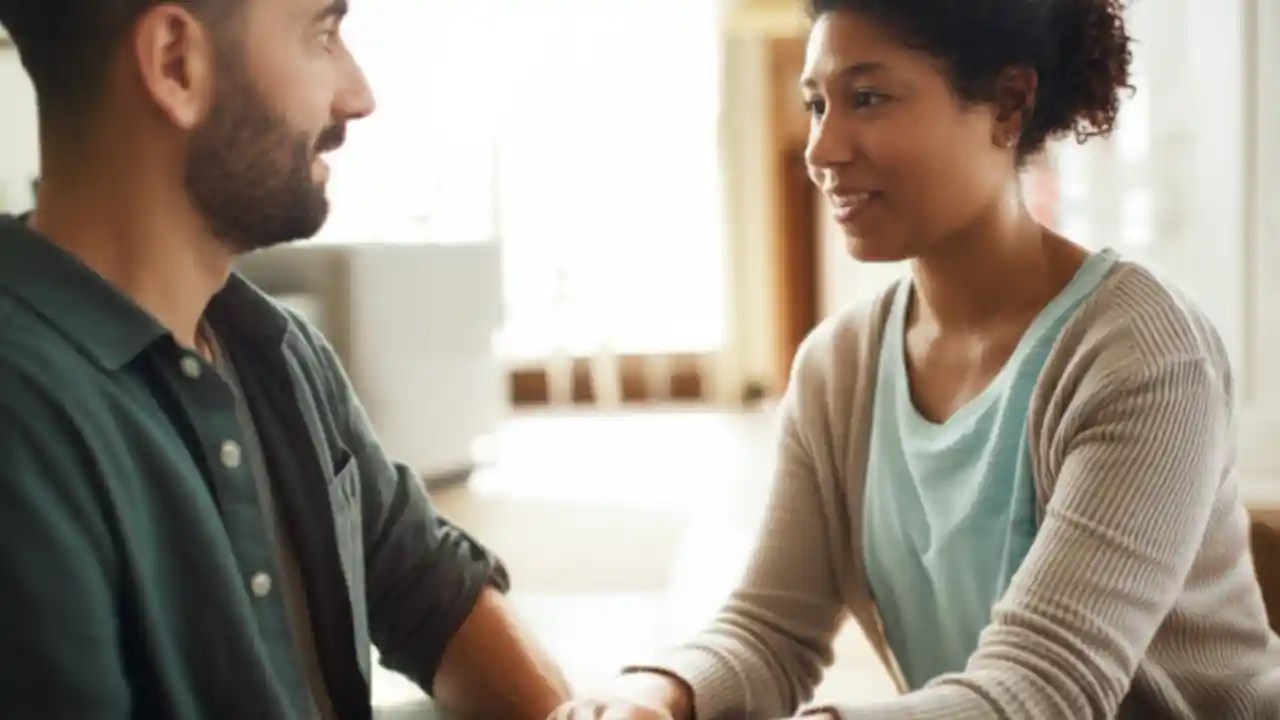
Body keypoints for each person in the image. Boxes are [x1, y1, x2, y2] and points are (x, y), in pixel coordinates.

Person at [551, 0, 1280, 718]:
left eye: (867, 98)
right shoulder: (838, 368)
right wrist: (652, 696)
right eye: (816, 105)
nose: (821, 149)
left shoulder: (1142, 354)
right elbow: (768, 633)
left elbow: (1044, 689)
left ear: (1007, 103)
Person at [0, 1, 569, 718]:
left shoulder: (273, 348)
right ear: (177, 64)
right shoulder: (23, 419)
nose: (358, 95)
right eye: (322, 34)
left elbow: (432, 594)